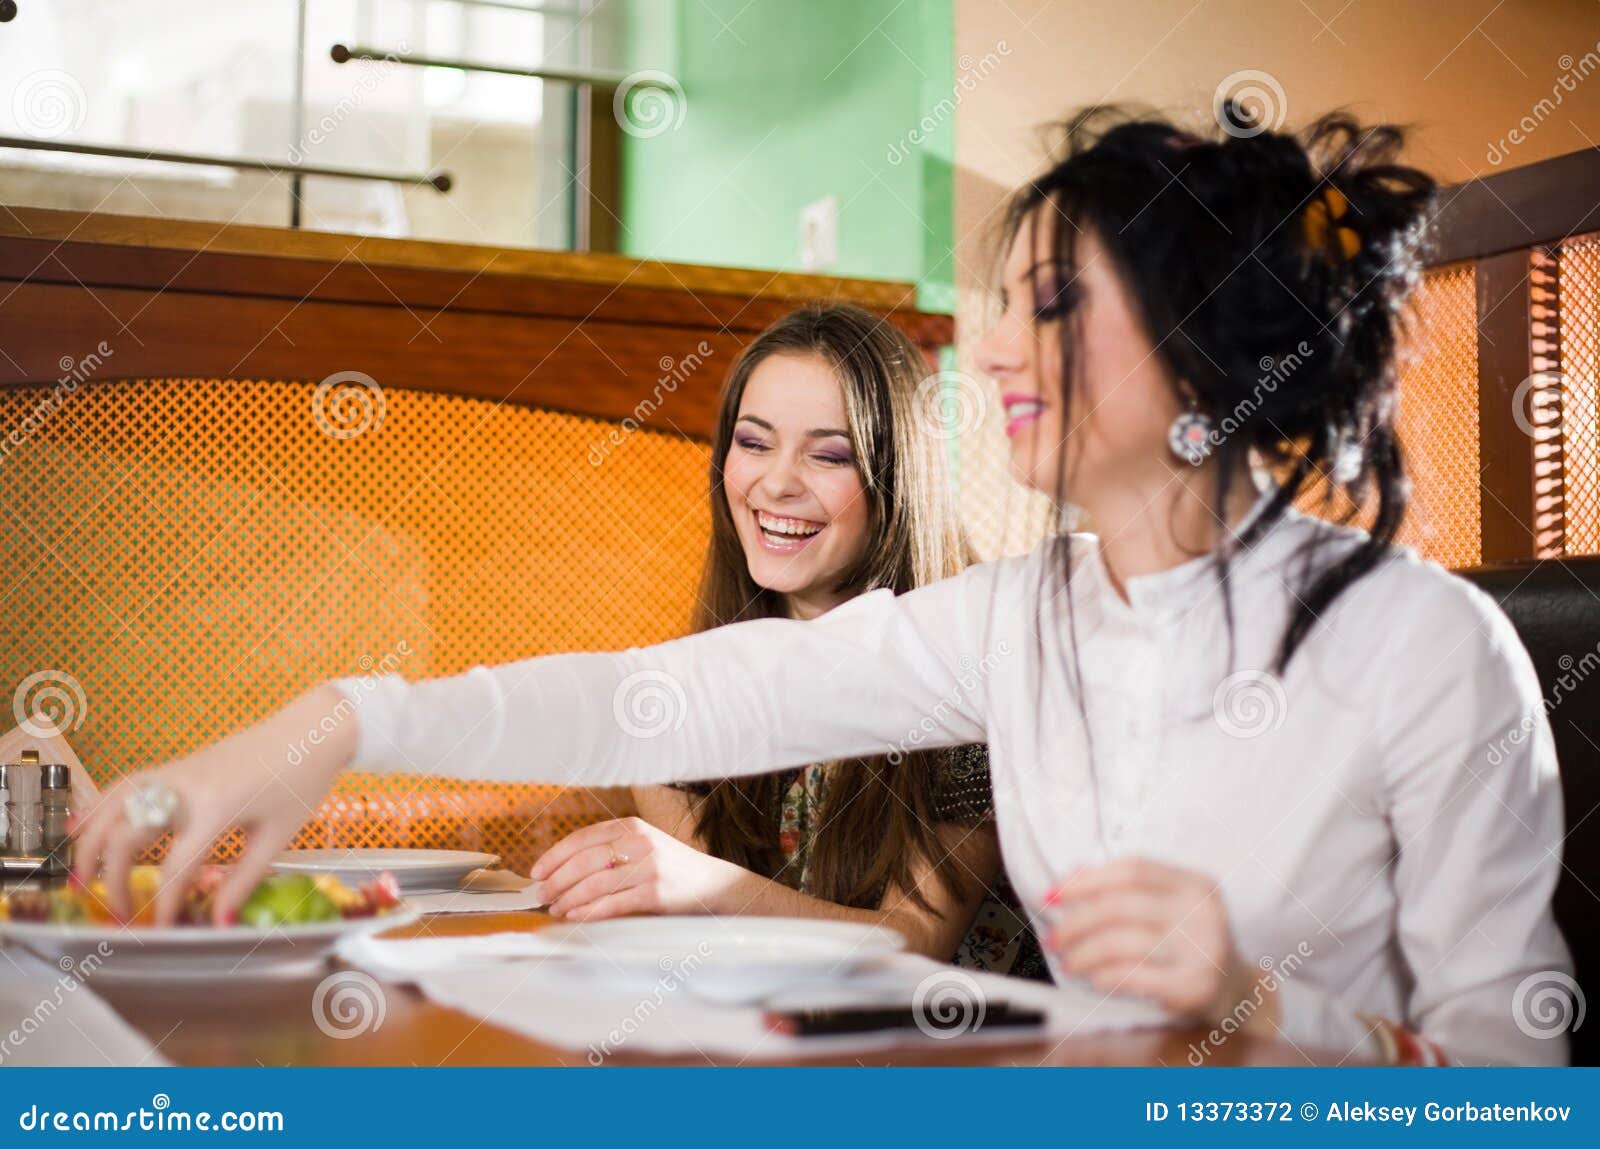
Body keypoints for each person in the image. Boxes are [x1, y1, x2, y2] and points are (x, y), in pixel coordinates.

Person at [75, 106, 1570, 1064]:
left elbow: (1517, 1093)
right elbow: (667, 699)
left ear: (1206, 346)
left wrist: (1259, 1008)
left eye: (1048, 305)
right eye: (999, 304)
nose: (989, 352)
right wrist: (339, 718)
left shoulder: (1428, 650)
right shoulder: (1017, 619)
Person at [531, 304, 1042, 974]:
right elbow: (706, 940)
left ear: (896, 479)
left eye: (828, 454)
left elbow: (914, 942)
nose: (775, 483)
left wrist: (701, 885)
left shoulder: (968, 667)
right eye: (753, 442)